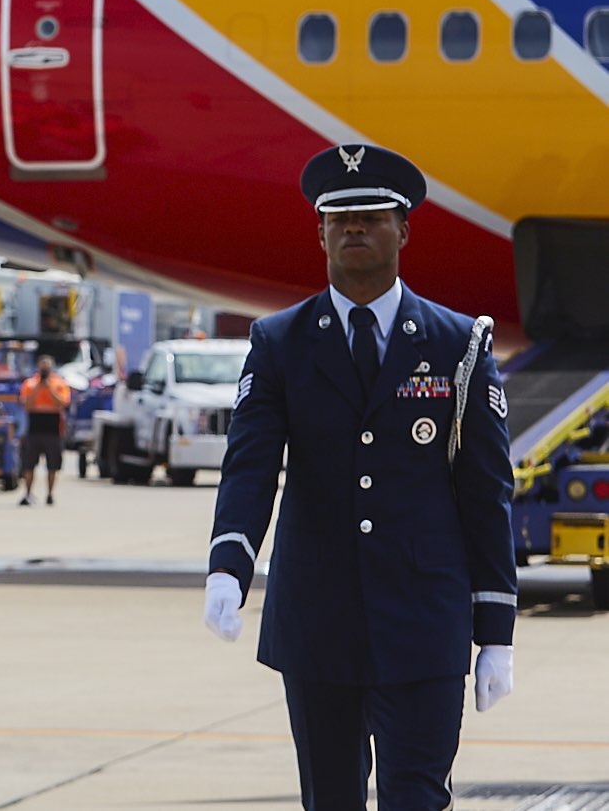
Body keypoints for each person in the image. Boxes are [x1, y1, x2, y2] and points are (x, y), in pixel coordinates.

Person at [204, 144, 516, 811]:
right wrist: (229, 562)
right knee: (332, 799)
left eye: (372, 216)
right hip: (318, 621)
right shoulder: (280, 341)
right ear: (318, 232)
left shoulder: (458, 344)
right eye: (340, 218)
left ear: (403, 229)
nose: (355, 229)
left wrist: (496, 631)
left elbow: (486, 492)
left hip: (423, 621)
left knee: (416, 797)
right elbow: (251, 463)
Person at [17, 355, 71, 507]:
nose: (44, 370)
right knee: (29, 465)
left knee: (53, 465)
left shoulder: (59, 384)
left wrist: (48, 387)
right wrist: (38, 387)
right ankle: (27, 493)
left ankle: (50, 494)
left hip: (53, 430)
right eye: (42, 366)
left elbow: (61, 403)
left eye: (47, 367)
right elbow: (26, 404)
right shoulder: (30, 384)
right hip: (34, 429)